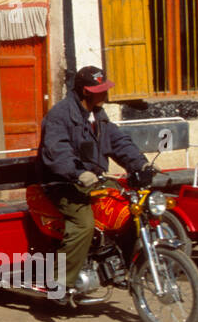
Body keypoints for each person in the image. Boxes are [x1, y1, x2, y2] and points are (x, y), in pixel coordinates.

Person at [39, 66, 149, 300]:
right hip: (61, 183)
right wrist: (77, 172)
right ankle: (60, 284)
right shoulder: (60, 115)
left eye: (105, 89)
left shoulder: (98, 115)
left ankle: (124, 268)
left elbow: (119, 142)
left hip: (92, 180)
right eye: (99, 90)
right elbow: (57, 151)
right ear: (85, 92)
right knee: (84, 223)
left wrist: (141, 164)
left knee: (130, 208)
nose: (105, 94)